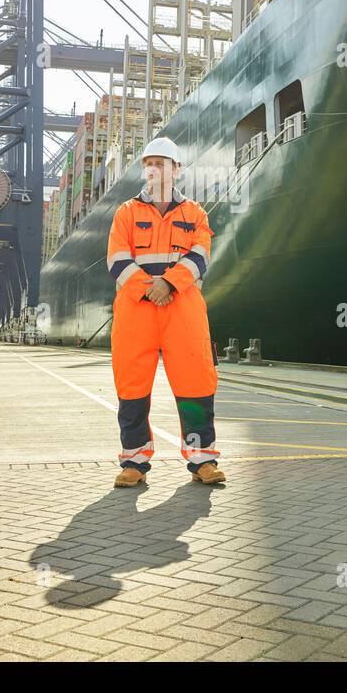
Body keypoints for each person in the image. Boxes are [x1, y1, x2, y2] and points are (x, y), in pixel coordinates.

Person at [107, 137, 224, 488]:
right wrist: (149, 288)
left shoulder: (195, 213)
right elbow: (116, 258)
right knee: (132, 387)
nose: (154, 169)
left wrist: (169, 284)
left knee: (195, 384)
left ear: (177, 169)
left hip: (182, 309)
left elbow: (201, 254)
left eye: (161, 162)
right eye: (149, 163)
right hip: (136, 310)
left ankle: (202, 461)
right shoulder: (126, 212)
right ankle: (134, 463)